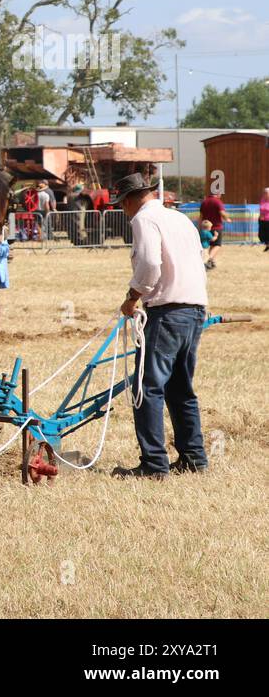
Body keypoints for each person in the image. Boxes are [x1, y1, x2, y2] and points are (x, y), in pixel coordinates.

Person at [111, 172, 210, 480]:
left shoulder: (142, 219)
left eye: (122, 205)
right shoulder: (179, 219)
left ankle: (154, 464)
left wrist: (132, 297)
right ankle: (194, 458)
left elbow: (151, 263)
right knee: (181, 388)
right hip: (194, 308)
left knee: (147, 388)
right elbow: (198, 258)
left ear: (129, 200)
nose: (124, 211)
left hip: (166, 311)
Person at [198, 189, 226, 268]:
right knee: (217, 245)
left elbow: (201, 216)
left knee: (211, 245)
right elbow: (222, 213)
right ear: (218, 194)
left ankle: (211, 262)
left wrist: (199, 227)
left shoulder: (204, 202)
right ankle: (208, 260)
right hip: (216, 227)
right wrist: (228, 218)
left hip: (205, 228)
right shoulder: (217, 201)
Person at [259, 188, 269, 252]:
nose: (264, 194)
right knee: (261, 235)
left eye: (266, 193)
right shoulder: (262, 200)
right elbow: (261, 208)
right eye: (264, 193)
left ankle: (267, 246)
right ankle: (267, 245)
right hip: (262, 219)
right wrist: (260, 215)